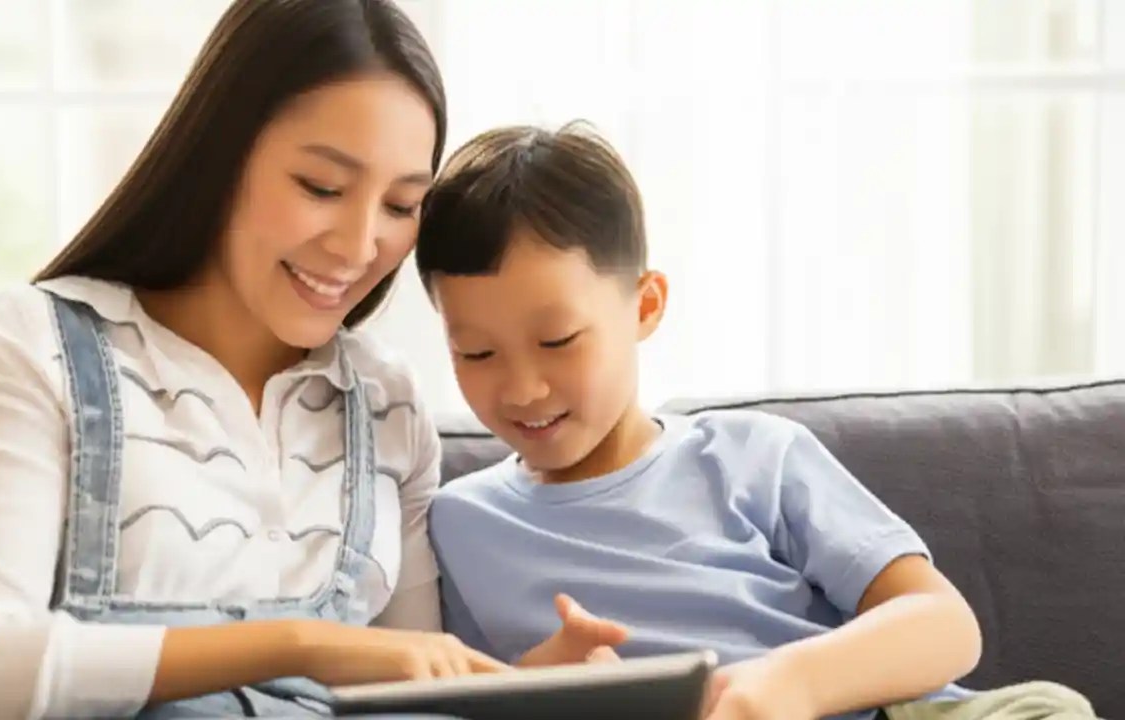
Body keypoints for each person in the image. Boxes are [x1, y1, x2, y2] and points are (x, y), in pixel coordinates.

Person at [0, 3, 619, 718]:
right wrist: (301, 641)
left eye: (398, 205)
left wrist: (520, 691)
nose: (358, 247)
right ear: (220, 154)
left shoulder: (385, 402)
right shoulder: (32, 351)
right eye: (321, 186)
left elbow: (406, 694)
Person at [415, 122, 1099, 720]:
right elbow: (469, 700)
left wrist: (791, 685)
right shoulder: (456, 524)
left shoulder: (748, 456)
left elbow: (946, 625)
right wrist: (541, 684)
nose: (524, 388)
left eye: (559, 340)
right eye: (476, 353)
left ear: (645, 305)